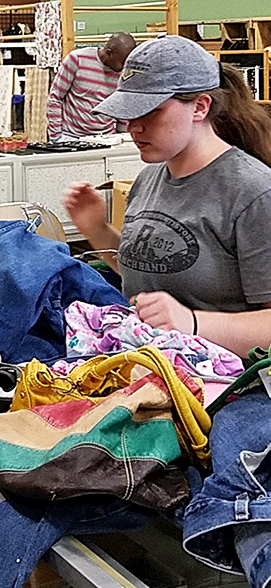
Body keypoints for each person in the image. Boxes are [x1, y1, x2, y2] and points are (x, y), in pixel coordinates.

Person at [64, 35, 271, 358]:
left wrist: (192, 322)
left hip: (226, 381)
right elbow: (159, 272)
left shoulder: (254, 193)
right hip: (148, 361)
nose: (133, 127)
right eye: (128, 113)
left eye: (150, 112)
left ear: (200, 107)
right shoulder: (148, 180)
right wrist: (98, 231)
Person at [47, 32, 136, 142]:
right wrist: (56, 137)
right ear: (109, 53)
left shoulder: (124, 73)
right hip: (72, 137)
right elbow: (55, 98)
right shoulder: (77, 59)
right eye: (122, 62)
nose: (124, 67)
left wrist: (123, 137)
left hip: (106, 138)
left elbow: (122, 107)